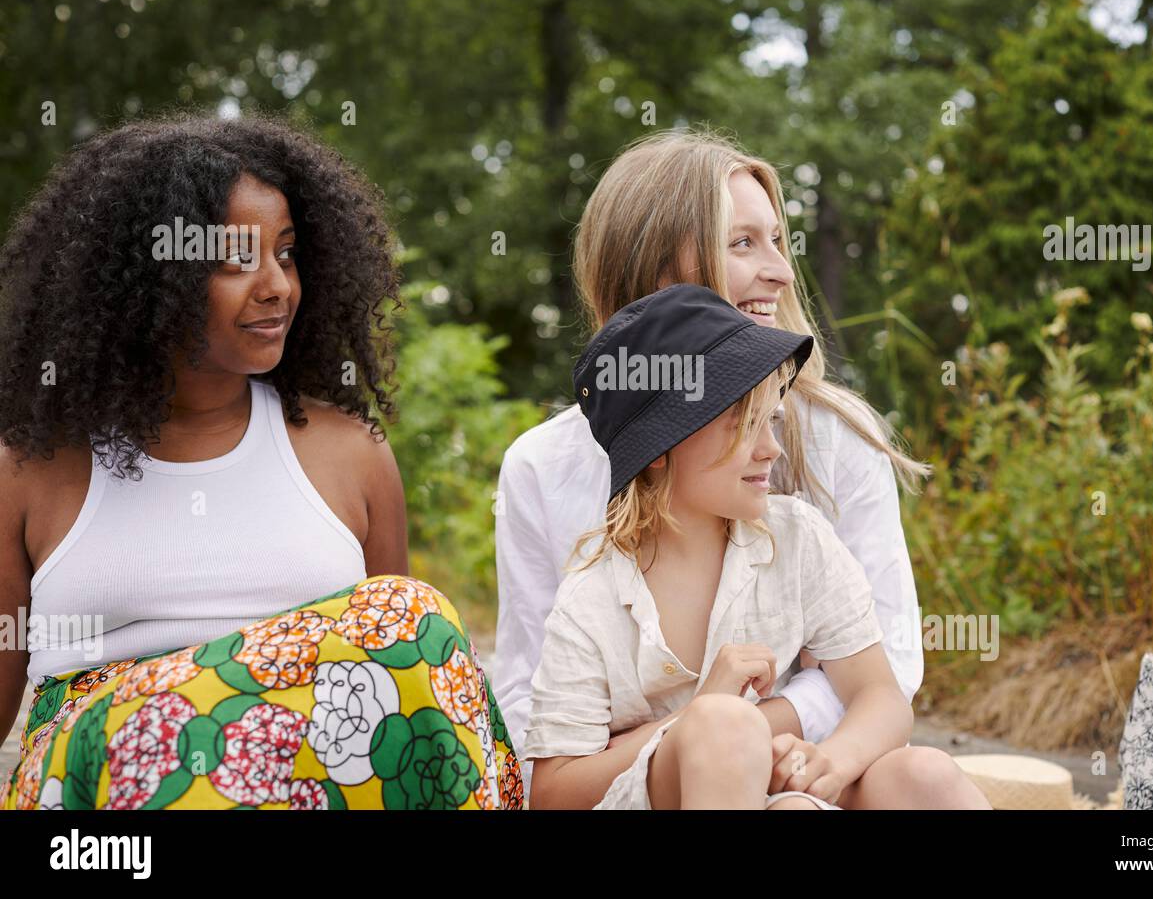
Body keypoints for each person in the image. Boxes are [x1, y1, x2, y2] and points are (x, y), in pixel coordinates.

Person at [0, 113, 521, 810]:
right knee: (160, 735)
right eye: (238, 260)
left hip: (305, 784)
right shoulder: (32, 467)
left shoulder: (350, 456)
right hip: (100, 792)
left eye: (287, 253)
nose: (277, 286)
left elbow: (399, 689)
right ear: (152, 280)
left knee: (412, 617)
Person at [495, 128, 932, 801]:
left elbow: (888, 671)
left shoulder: (835, 443)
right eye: (742, 243)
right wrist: (708, 726)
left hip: (804, 766)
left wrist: (752, 732)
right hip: (638, 784)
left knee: (918, 773)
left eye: (778, 240)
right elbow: (535, 727)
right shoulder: (542, 471)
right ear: (655, 273)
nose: (783, 272)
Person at [524, 284, 991, 809]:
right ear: (659, 448)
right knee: (724, 725)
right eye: (742, 424)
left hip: (777, 795)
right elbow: (552, 793)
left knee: (922, 773)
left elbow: (879, 696)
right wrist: (702, 712)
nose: (770, 448)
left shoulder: (797, 539)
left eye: (769, 419)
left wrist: (831, 760)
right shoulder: (593, 599)